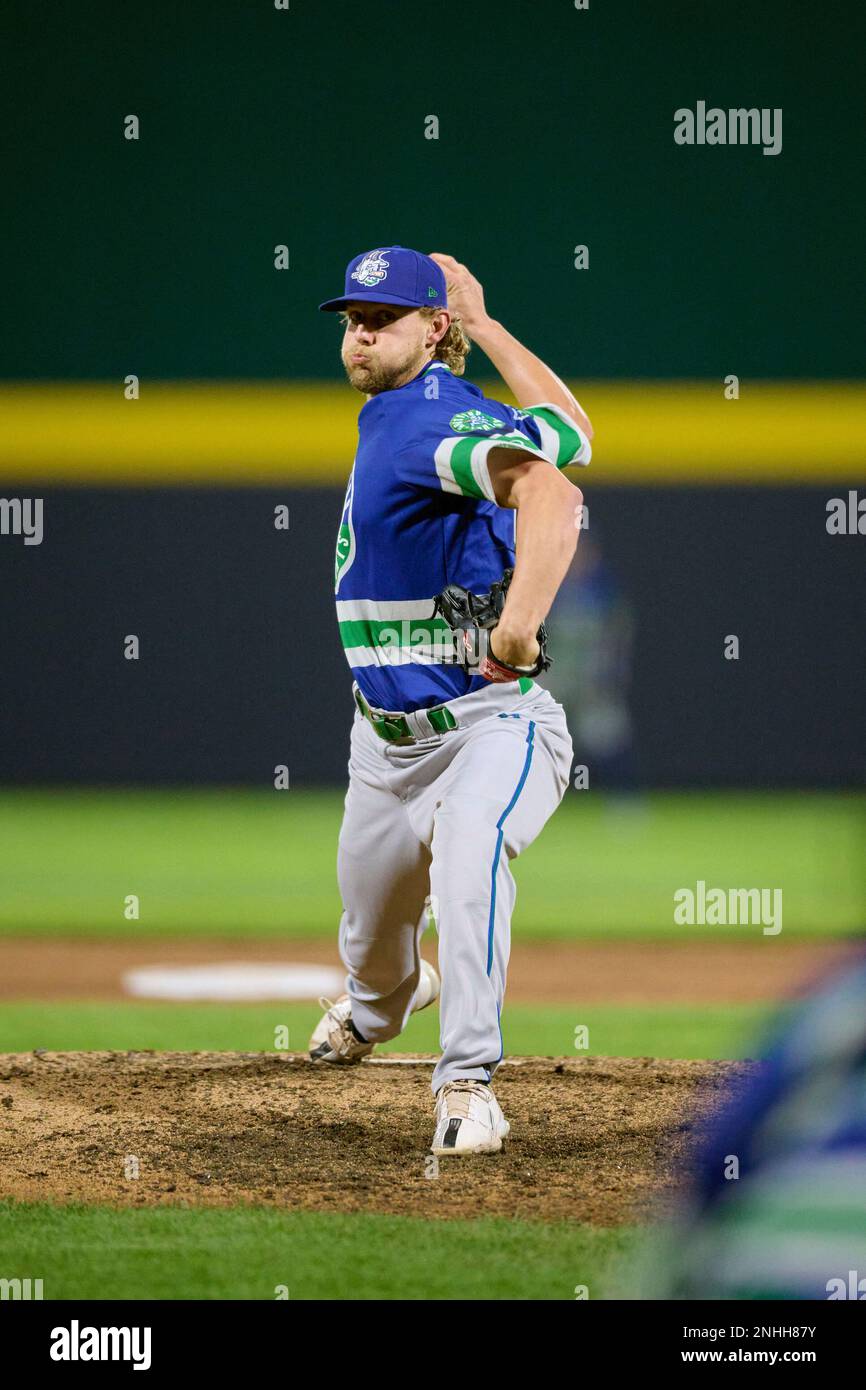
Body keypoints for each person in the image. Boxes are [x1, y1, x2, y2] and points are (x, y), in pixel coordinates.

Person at [308, 245, 593, 1155]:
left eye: (380, 319)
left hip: (489, 725)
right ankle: (380, 1002)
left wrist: (517, 627)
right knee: (373, 964)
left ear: (432, 331)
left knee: (472, 851)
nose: (359, 334)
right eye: (352, 319)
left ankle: (469, 1083)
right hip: (384, 749)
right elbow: (573, 431)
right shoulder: (431, 410)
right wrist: (488, 326)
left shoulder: (422, 421)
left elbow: (555, 486)